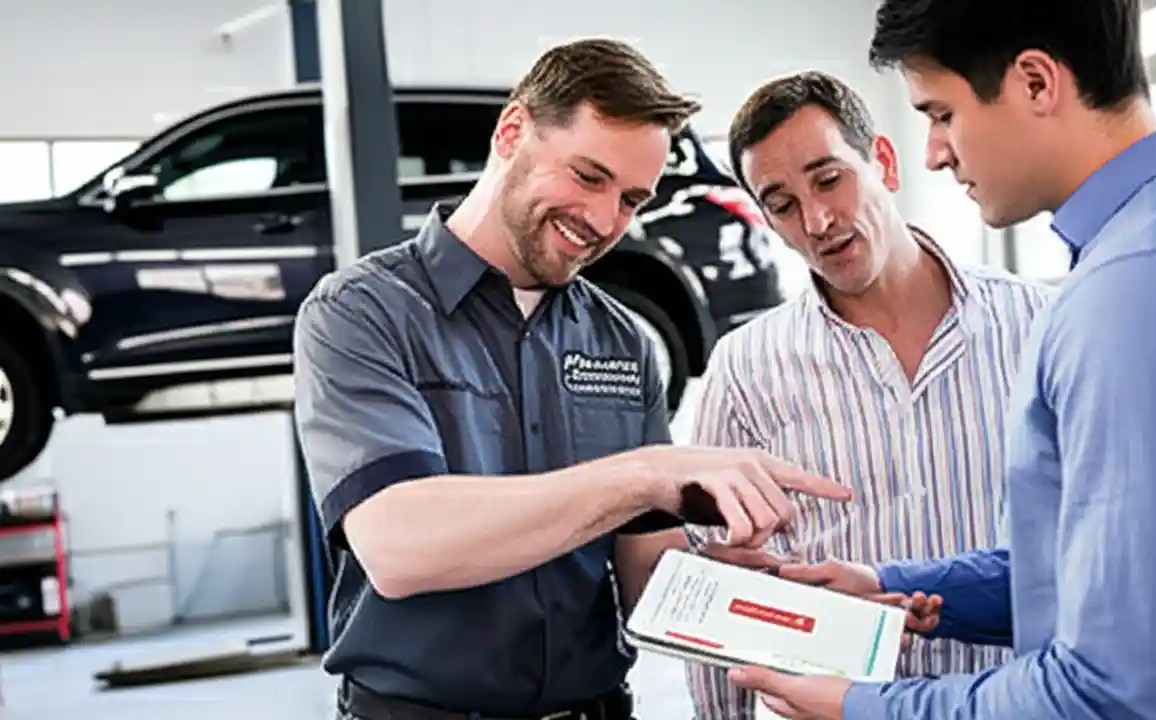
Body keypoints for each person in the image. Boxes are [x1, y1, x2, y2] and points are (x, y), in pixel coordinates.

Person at [725, 1, 1156, 718]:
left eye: (942, 113)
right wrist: (893, 583)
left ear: (1036, 83)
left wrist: (863, 707)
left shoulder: (1143, 288)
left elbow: (1124, 696)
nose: (936, 152)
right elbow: (1117, 578)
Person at [291, 37, 851, 720]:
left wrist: (789, 610)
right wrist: (644, 474)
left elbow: (646, 576)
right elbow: (400, 548)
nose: (603, 220)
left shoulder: (622, 343)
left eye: (632, 199)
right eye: (588, 176)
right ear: (512, 130)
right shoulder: (362, 314)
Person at [681, 70, 1055, 720]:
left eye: (829, 179)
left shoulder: (1038, 324)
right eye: (782, 202)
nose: (818, 219)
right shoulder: (744, 369)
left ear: (882, 160)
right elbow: (714, 583)